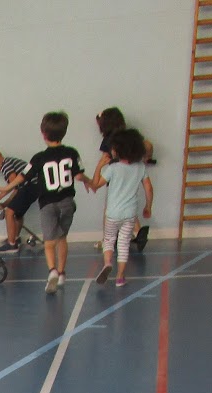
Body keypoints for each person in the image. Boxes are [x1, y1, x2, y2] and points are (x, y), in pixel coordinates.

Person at [26, 112, 90, 295]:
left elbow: (24, 176)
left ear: (43, 133)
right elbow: (78, 175)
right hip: (67, 202)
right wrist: (89, 181)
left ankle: (52, 270)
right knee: (62, 237)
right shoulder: (72, 153)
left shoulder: (39, 158)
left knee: (48, 242)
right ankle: (62, 273)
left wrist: (7, 190)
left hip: (47, 203)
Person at [88, 129, 152, 286]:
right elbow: (149, 188)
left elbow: (95, 185)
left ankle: (108, 262)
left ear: (117, 150)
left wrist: (99, 166)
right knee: (123, 244)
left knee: (109, 241)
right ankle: (120, 277)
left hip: (112, 214)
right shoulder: (140, 168)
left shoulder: (112, 169)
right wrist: (148, 206)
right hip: (129, 215)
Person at [91, 108, 157, 249]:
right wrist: (146, 158)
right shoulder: (130, 137)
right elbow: (147, 145)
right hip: (132, 177)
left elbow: (105, 158)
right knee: (128, 207)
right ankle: (137, 231)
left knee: (109, 209)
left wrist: (100, 166)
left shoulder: (108, 140)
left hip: (116, 177)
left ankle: (107, 240)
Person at [0, 146, 37, 252]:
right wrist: (5, 203)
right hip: (32, 187)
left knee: (9, 213)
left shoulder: (6, 164)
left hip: (31, 186)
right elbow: (17, 190)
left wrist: (1, 196)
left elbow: (14, 183)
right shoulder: (9, 164)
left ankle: (11, 244)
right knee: (17, 214)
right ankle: (15, 238)